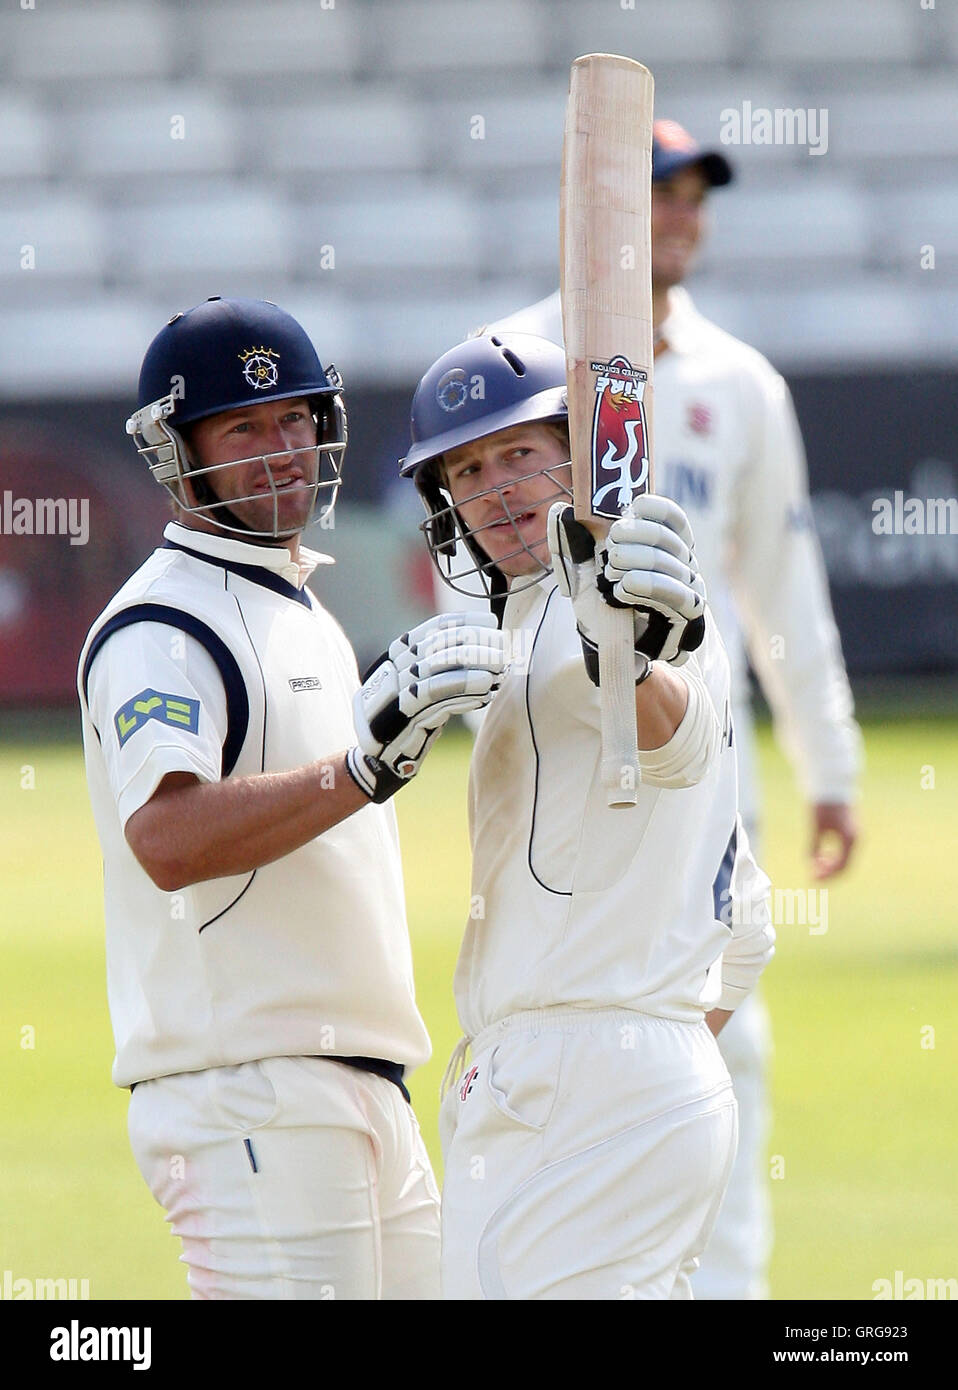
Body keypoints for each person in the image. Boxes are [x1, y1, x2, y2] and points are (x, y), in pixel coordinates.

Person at [485, 119, 863, 1298]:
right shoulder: (513, 363)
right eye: (659, 194)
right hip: (556, 791)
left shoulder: (739, 384)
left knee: (721, 1041)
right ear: (597, 207)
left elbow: (782, 589)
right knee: (550, 1047)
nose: (684, 216)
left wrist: (832, 764)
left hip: (704, 766)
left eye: (698, 195)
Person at [76, 296, 508, 1300]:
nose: (281, 449)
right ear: (177, 451)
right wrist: (357, 770)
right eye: (244, 427)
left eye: (296, 418)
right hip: (248, 1092)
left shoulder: (296, 604)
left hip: (356, 1084)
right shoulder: (160, 622)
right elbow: (168, 836)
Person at [400, 330, 775, 1300]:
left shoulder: (624, 601)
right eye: (468, 467)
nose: (496, 485)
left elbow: (673, 736)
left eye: (521, 451)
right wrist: (657, 1051)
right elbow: (750, 924)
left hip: (575, 1085)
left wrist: (628, 657)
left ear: (580, 454)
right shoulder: (539, 617)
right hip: (624, 1078)